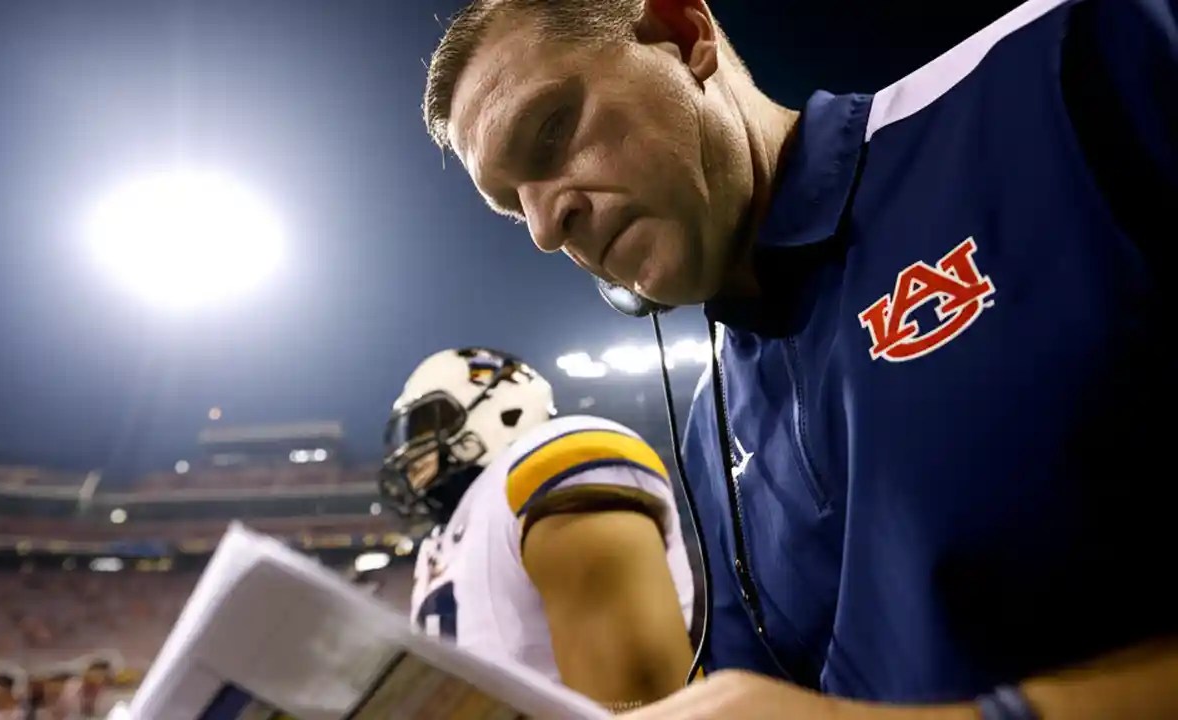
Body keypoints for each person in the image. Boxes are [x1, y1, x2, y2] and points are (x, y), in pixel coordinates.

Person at [419, 0, 1177, 717]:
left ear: (684, 33)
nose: (549, 226)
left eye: (552, 131)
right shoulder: (711, 436)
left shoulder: (1072, 69)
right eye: (516, 206)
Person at [380, 347, 696, 711]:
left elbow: (638, 703)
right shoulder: (446, 544)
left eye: (425, 424)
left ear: (503, 409)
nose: (411, 451)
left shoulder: (543, 465)